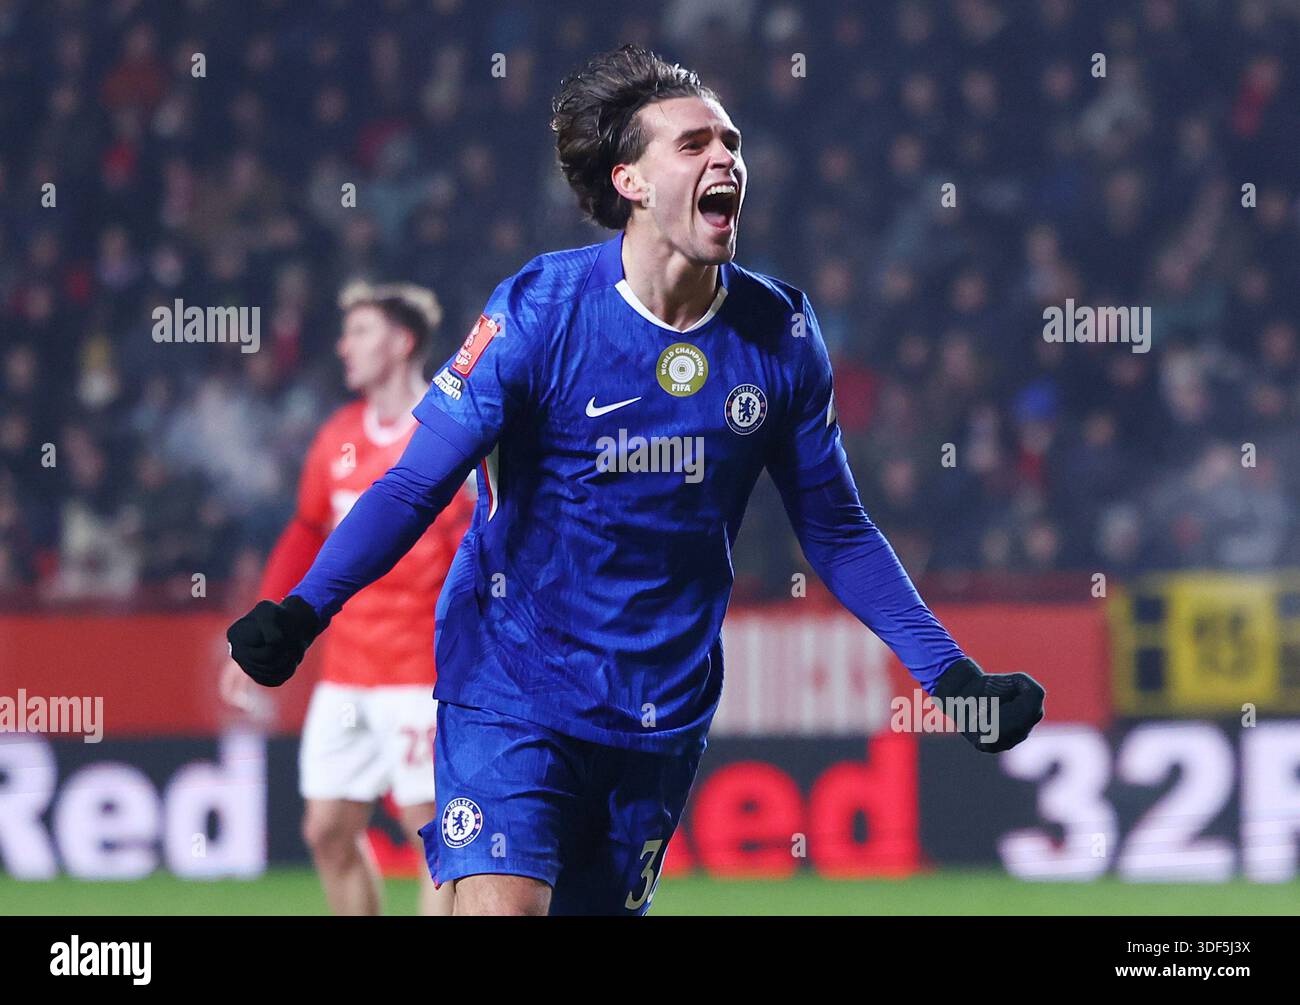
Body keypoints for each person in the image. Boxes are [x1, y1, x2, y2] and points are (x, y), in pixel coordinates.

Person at [227, 45, 1044, 916]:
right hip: (512, 682)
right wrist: (302, 610)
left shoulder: (780, 333)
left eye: (730, 141)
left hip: (660, 705)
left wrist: (950, 677)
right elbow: (411, 486)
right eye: (693, 144)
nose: (725, 157)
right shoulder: (540, 310)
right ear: (632, 182)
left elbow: (838, 533)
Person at [221, 280, 473, 916]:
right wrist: (265, 622)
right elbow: (305, 532)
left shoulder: (452, 433)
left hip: (425, 675)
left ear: (402, 340)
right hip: (347, 675)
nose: (343, 347)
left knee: (436, 838)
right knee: (326, 830)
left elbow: (483, 556)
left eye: (359, 331)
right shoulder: (336, 435)